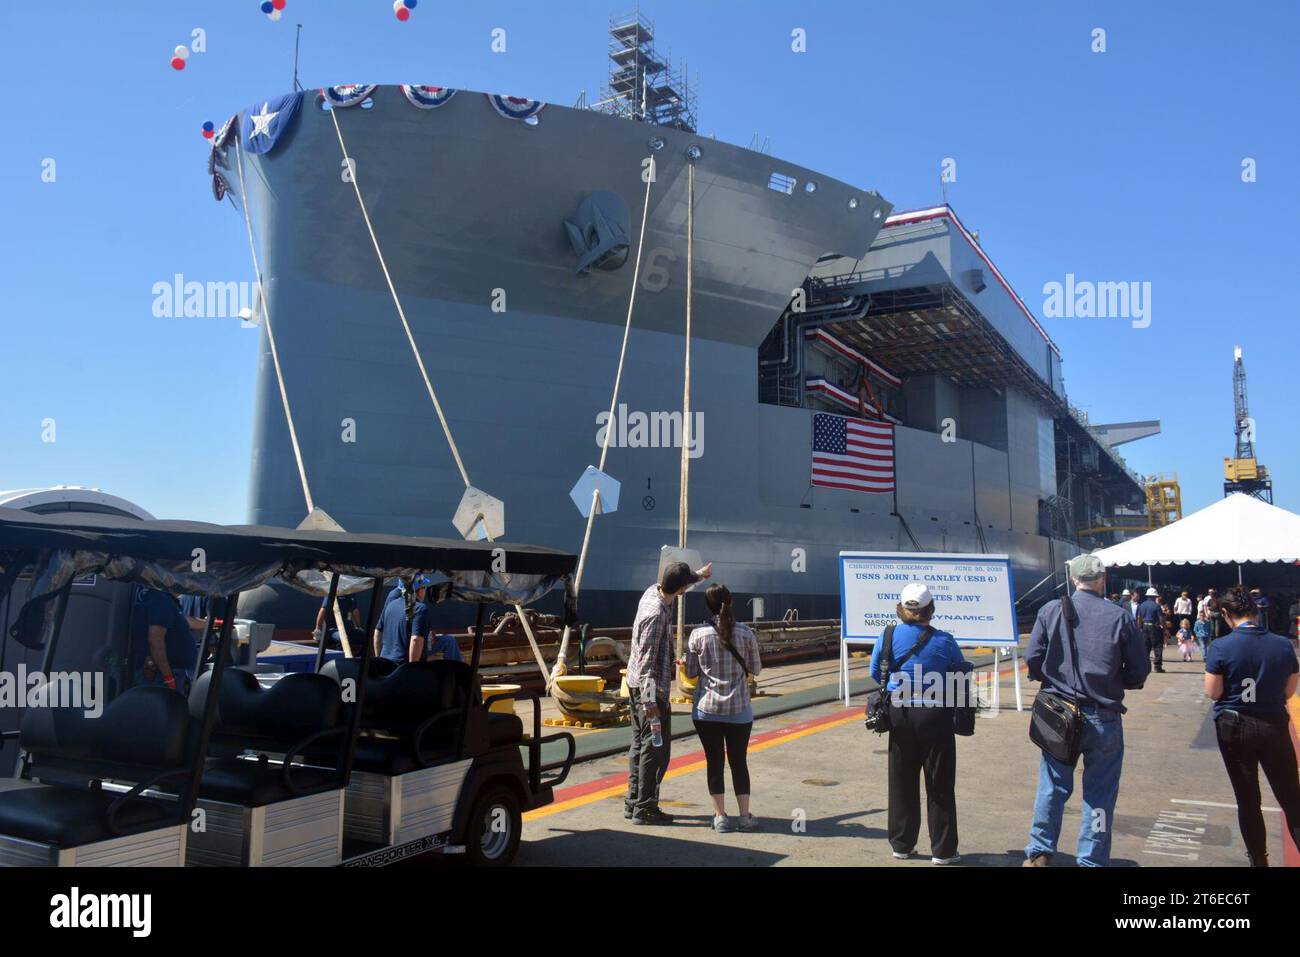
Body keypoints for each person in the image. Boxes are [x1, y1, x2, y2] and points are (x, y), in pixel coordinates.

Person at [1024, 553, 1149, 867]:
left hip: (1059, 715)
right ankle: (1092, 859)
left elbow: (1033, 659)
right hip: (1103, 715)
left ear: (1072, 580)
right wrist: (1114, 681)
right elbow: (1139, 669)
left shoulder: (1050, 610)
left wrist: (1052, 678)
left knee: (1052, 786)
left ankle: (1040, 851)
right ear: (1102, 580)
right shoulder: (1119, 616)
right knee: (1100, 794)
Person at [870, 582, 972, 865]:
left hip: (900, 714)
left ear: (901, 608)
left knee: (901, 781)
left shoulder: (888, 636)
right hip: (935, 715)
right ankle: (944, 850)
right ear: (931, 609)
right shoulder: (945, 640)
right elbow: (959, 674)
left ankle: (902, 845)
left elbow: (876, 673)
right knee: (939, 783)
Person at [1204, 585, 1300, 866]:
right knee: (1291, 798)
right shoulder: (1282, 644)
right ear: (1256, 611)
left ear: (1225, 613)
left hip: (1236, 727)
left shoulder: (1221, 646)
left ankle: (1259, 860)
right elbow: (1289, 689)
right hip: (1273, 724)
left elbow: (1213, 692)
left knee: (1248, 799)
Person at [624, 560, 712, 825]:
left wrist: (700, 575)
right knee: (656, 750)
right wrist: (650, 703)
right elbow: (647, 664)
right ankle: (645, 808)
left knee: (640, 745)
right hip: (649, 691)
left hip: (636, 685)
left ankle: (633, 802)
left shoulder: (653, 591)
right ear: (682, 588)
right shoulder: (655, 614)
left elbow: (678, 582)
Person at [682, 583, 761, 833]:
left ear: (707, 605)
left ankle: (720, 817)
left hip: (707, 711)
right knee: (739, 761)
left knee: (714, 761)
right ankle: (745, 816)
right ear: (732, 602)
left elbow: (692, 673)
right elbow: (756, 668)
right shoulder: (746, 633)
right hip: (739, 711)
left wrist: (684, 664)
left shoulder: (697, 635)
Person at [130, 586, 205, 695]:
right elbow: (156, 640)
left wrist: (209, 624)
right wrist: (168, 677)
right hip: (162, 675)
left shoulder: (163, 600)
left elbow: (181, 621)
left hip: (165, 673)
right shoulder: (161, 599)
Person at [374, 574, 434, 664]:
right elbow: (416, 639)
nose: (425, 590)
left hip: (385, 665)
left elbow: (378, 632)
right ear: (417, 590)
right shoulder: (420, 609)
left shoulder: (390, 605)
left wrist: (379, 661)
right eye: (424, 587)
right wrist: (410, 670)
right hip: (403, 668)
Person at [1136, 587, 1165, 673]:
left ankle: (1143, 666)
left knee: (1145, 647)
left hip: (1144, 627)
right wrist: (1164, 629)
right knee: (1158, 646)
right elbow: (1161, 619)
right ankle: (1157, 666)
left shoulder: (1141, 605)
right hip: (1154, 627)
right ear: (1154, 596)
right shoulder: (1156, 606)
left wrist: (1139, 628)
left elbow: (1139, 618)